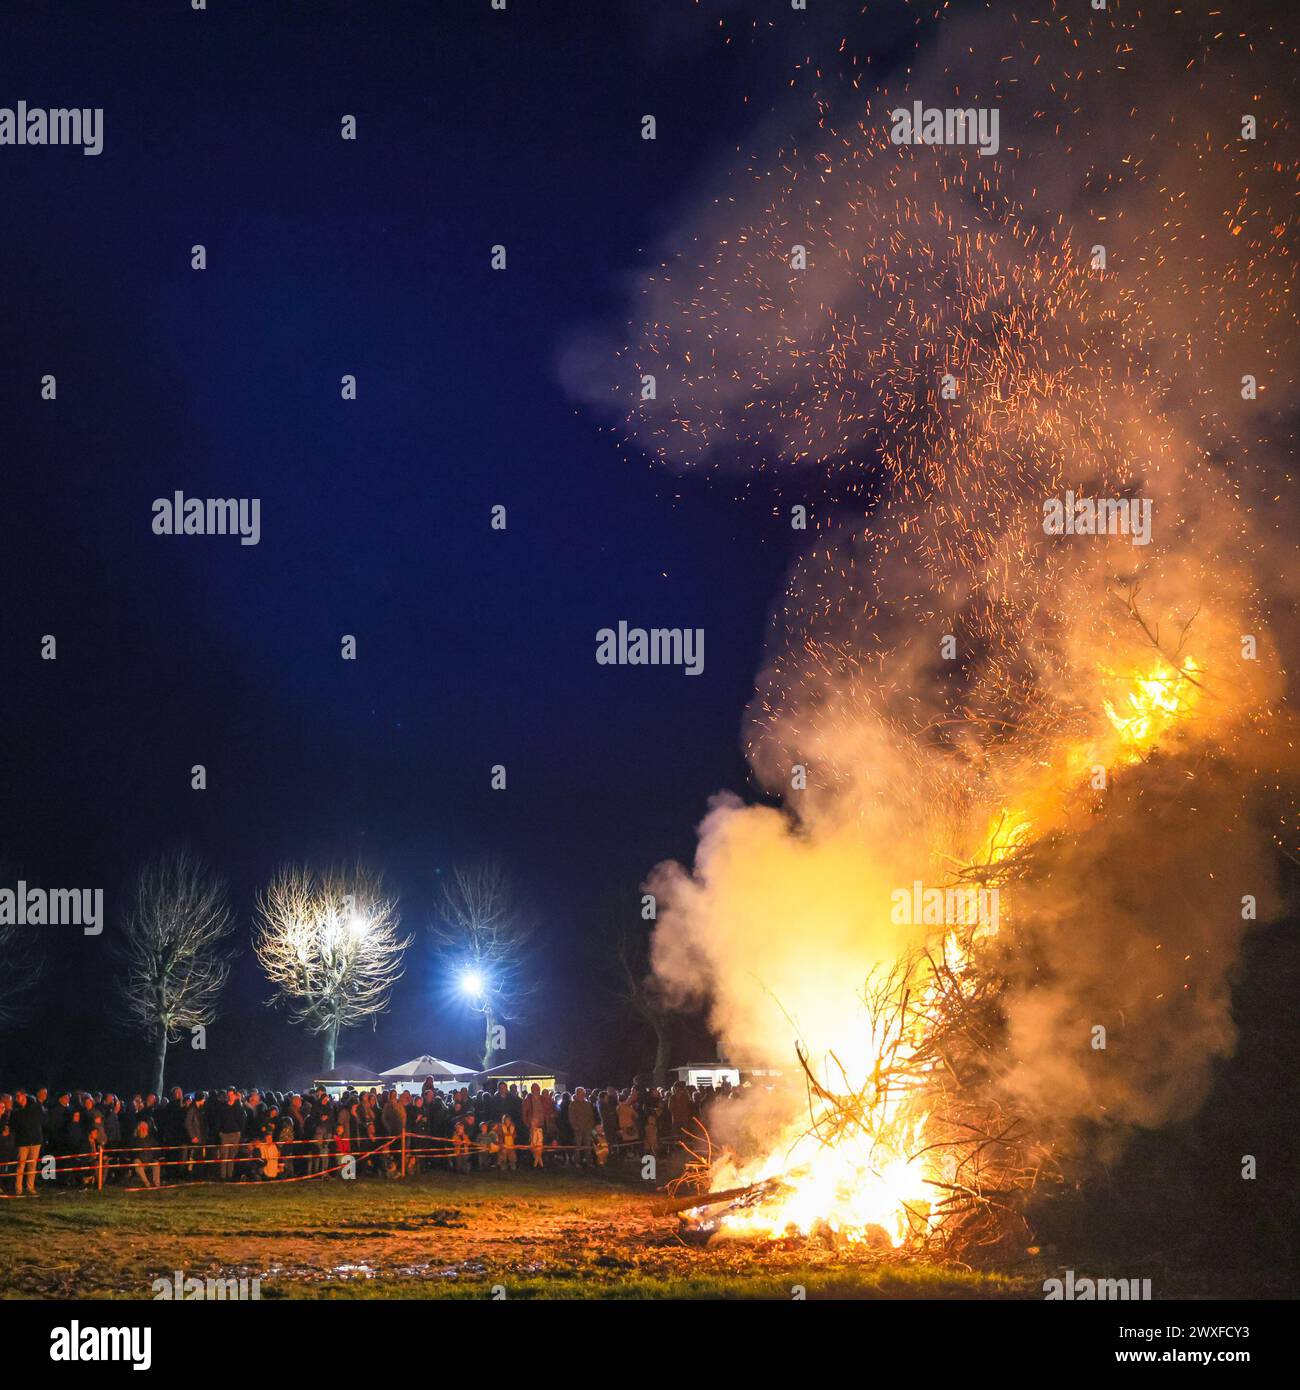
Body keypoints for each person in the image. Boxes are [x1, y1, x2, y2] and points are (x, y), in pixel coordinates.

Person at [11, 1088, 44, 1196]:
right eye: (15, 1097)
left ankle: (30, 1188)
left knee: (32, 1166)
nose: (17, 1099)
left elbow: (43, 1119)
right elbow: (13, 1124)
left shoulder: (35, 1106)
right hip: (22, 1141)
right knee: (20, 1166)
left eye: (18, 1096)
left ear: (24, 1095)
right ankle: (18, 1189)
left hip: (35, 1140)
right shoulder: (16, 1110)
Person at [215, 1088, 247, 1181]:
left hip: (235, 1134)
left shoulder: (239, 1107)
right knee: (224, 1156)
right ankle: (223, 1176)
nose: (230, 1096)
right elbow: (218, 1120)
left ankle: (230, 1175)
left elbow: (242, 1121)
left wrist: (239, 1132)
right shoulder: (222, 1107)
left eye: (231, 1094)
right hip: (225, 1134)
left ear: (235, 1095)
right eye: (228, 1095)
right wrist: (220, 1132)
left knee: (232, 1156)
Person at [129, 1120, 161, 1188]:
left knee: (156, 1163)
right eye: (142, 1128)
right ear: (138, 1129)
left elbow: (157, 1150)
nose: (143, 1130)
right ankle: (147, 1183)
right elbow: (131, 1152)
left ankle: (157, 1183)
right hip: (141, 1162)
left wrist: (155, 1158)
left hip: (150, 1161)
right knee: (137, 1162)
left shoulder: (152, 1139)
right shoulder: (134, 1140)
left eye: (145, 1128)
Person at [569, 1087, 595, 1166]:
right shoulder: (573, 1104)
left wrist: (590, 1126)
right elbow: (571, 1117)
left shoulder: (587, 1104)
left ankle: (589, 1161)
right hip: (578, 1129)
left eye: (583, 1094)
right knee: (578, 1146)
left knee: (588, 1146)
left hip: (587, 1128)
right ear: (577, 1094)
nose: (582, 1095)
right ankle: (577, 1162)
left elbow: (591, 1116)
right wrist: (575, 1126)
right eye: (580, 1094)